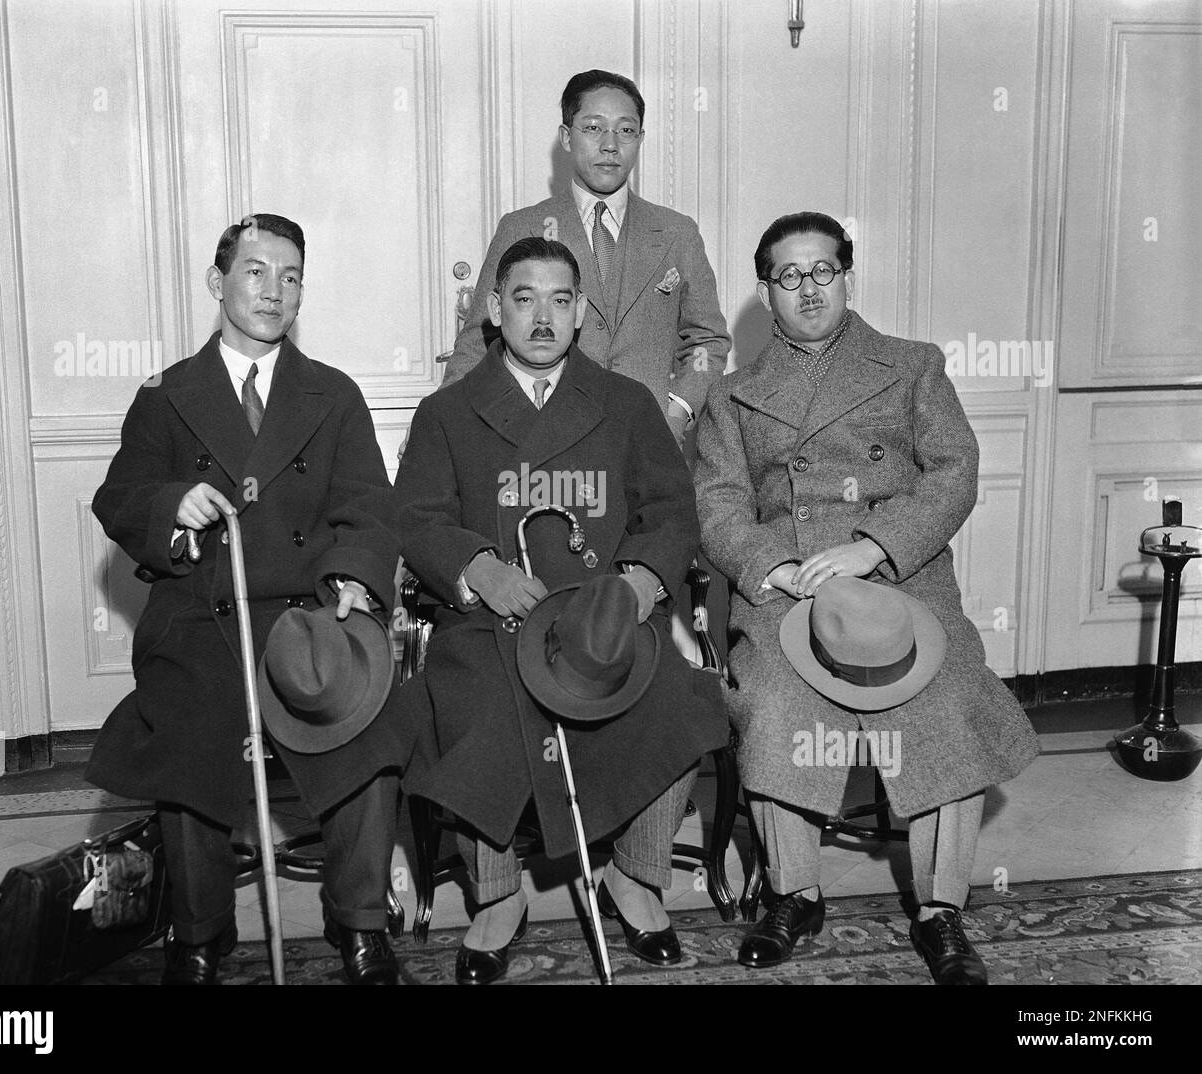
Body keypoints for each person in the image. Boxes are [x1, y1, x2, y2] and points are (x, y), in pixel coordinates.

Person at [694, 211, 1039, 985]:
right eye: (789, 276)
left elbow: (955, 472)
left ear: (848, 275)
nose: (808, 289)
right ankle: (794, 893)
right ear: (765, 291)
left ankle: (941, 910)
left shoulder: (912, 365)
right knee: (775, 699)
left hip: (900, 576)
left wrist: (875, 546)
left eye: (823, 270)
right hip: (792, 584)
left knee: (945, 698)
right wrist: (777, 566)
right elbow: (716, 507)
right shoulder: (734, 395)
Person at [88, 214, 412, 985]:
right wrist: (174, 503)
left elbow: (369, 506)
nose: (275, 292)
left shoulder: (331, 395)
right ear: (218, 282)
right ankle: (198, 934)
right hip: (203, 612)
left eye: (291, 276)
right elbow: (119, 497)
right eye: (257, 272)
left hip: (308, 613)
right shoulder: (167, 395)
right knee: (191, 735)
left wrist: (353, 580)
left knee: (371, 727)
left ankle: (360, 923)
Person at [396, 236, 727, 985]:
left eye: (559, 299)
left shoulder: (625, 403)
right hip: (492, 621)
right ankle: (497, 895)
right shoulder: (448, 411)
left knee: (678, 699)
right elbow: (414, 519)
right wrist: (478, 568)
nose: (542, 316)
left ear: (581, 313)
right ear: (494, 309)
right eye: (523, 298)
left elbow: (672, 510)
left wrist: (639, 583)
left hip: (601, 616)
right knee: (477, 704)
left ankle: (635, 878)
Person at [442, 69, 729, 449]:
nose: (611, 145)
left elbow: (707, 339)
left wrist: (677, 411)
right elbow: (479, 340)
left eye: (626, 131)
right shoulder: (521, 227)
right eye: (593, 128)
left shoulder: (678, 232)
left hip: (648, 441)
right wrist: (437, 421)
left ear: (640, 139)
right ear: (566, 136)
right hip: (544, 441)